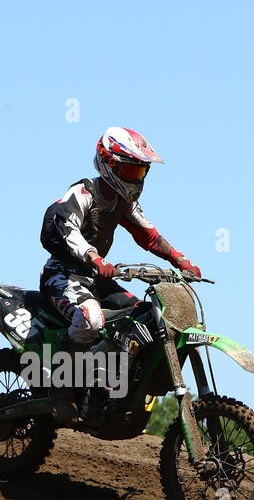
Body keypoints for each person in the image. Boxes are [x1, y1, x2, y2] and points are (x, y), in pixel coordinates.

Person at [39, 127, 202, 350]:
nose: (137, 179)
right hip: (62, 276)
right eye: (131, 172)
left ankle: (118, 376)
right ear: (110, 165)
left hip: (98, 279)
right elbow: (66, 228)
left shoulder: (124, 202)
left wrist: (179, 259)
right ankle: (65, 376)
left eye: (141, 172)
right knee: (91, 319)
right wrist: (94, 257)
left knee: (146, 317)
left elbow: (149, 237)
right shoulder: (83, 193)